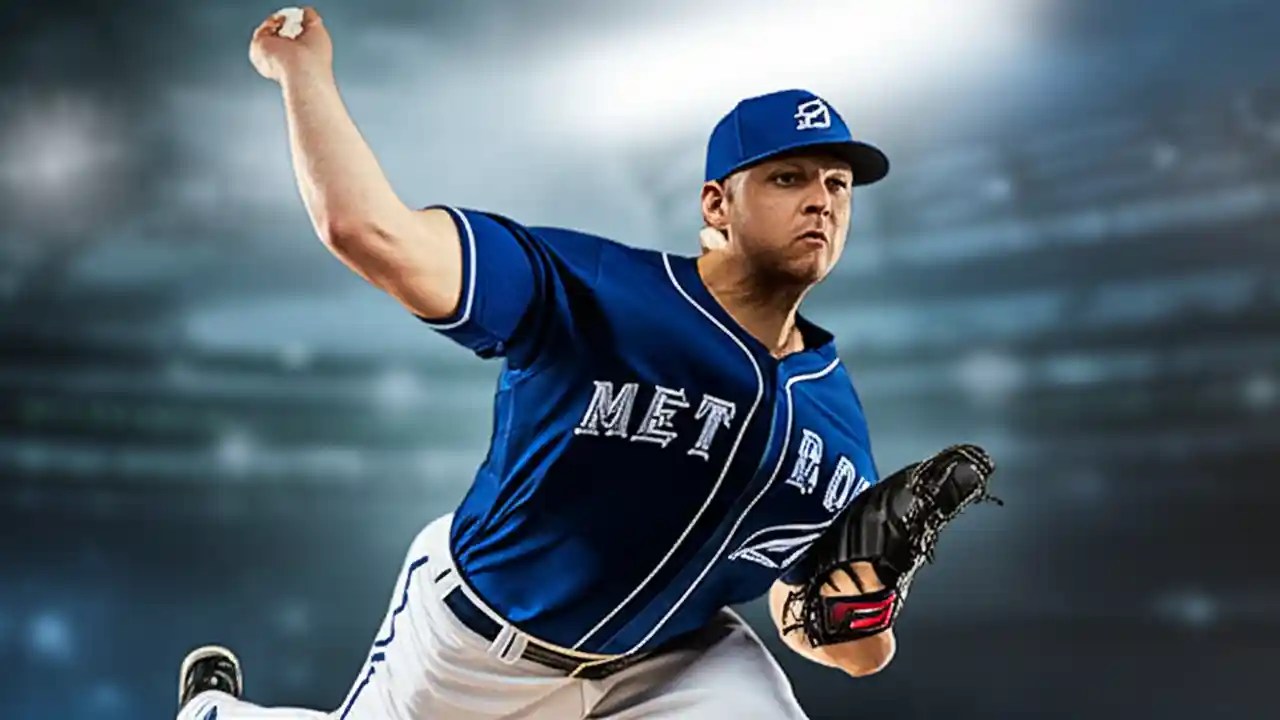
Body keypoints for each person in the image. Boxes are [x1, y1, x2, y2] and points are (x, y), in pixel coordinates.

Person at [176, 6, 902, 719]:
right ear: (717, 204)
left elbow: (835, 635)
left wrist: (855, 608)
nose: (822, 202)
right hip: (479, 651)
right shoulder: (593, 288)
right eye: (789, 179)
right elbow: (369, 232)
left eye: (837, 185)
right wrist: (304, 75)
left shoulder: (833, 414)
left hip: (672, 667)